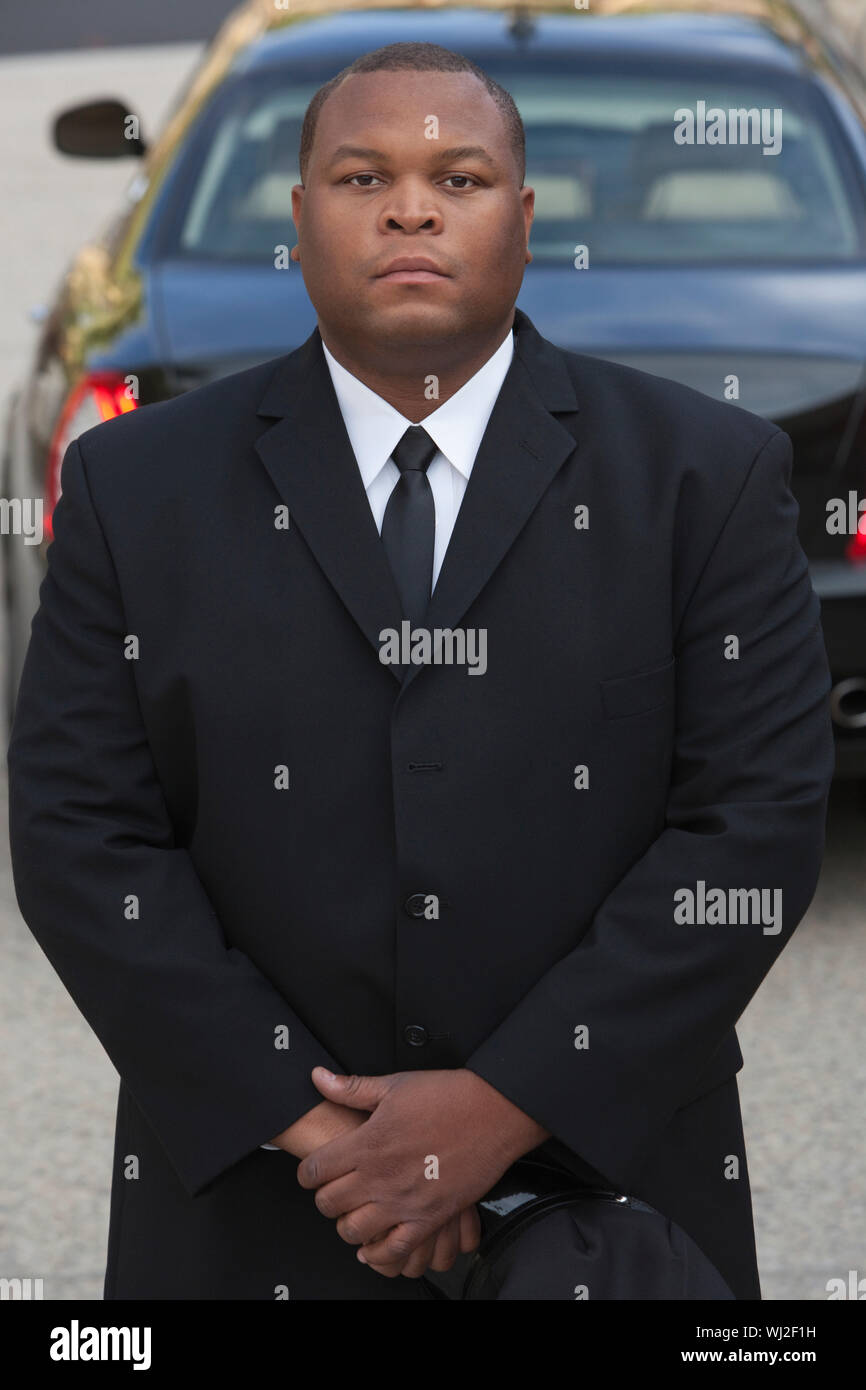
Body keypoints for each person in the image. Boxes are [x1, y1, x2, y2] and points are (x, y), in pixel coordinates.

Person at [7, 42, 835, 1300]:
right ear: (299, 219)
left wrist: (499, 1109)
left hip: (604, 1204)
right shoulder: (136, 487)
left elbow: (752, 831)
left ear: (523, 217)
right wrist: (329, 1137)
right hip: (255, 1209)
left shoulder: (704, 477)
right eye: (362, 177)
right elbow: (80, 839)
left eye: (458, 178)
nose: (410, 210)